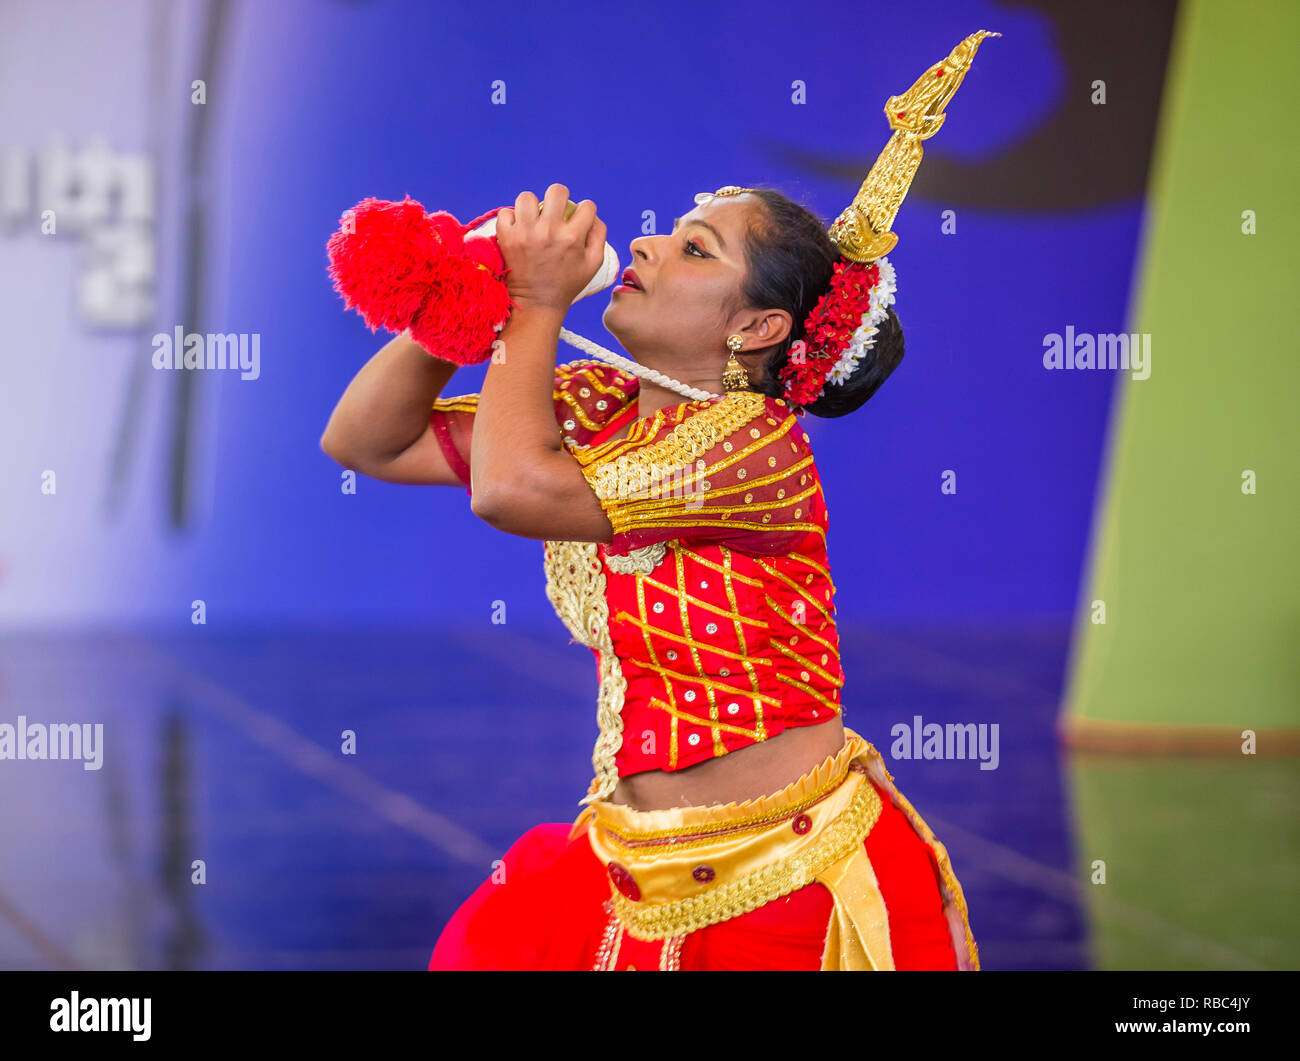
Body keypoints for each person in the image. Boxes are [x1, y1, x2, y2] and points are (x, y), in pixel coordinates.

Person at [321, 31, 994, 972]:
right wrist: (461, 298)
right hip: (630, 868)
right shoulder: (598, 408)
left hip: (787, 876)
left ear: (756, 326)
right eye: (670, 231)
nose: (644, 243)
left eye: (694, 249)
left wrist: (532, 306)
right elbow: (367, 441)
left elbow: (511, 489)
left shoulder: (754, 446)